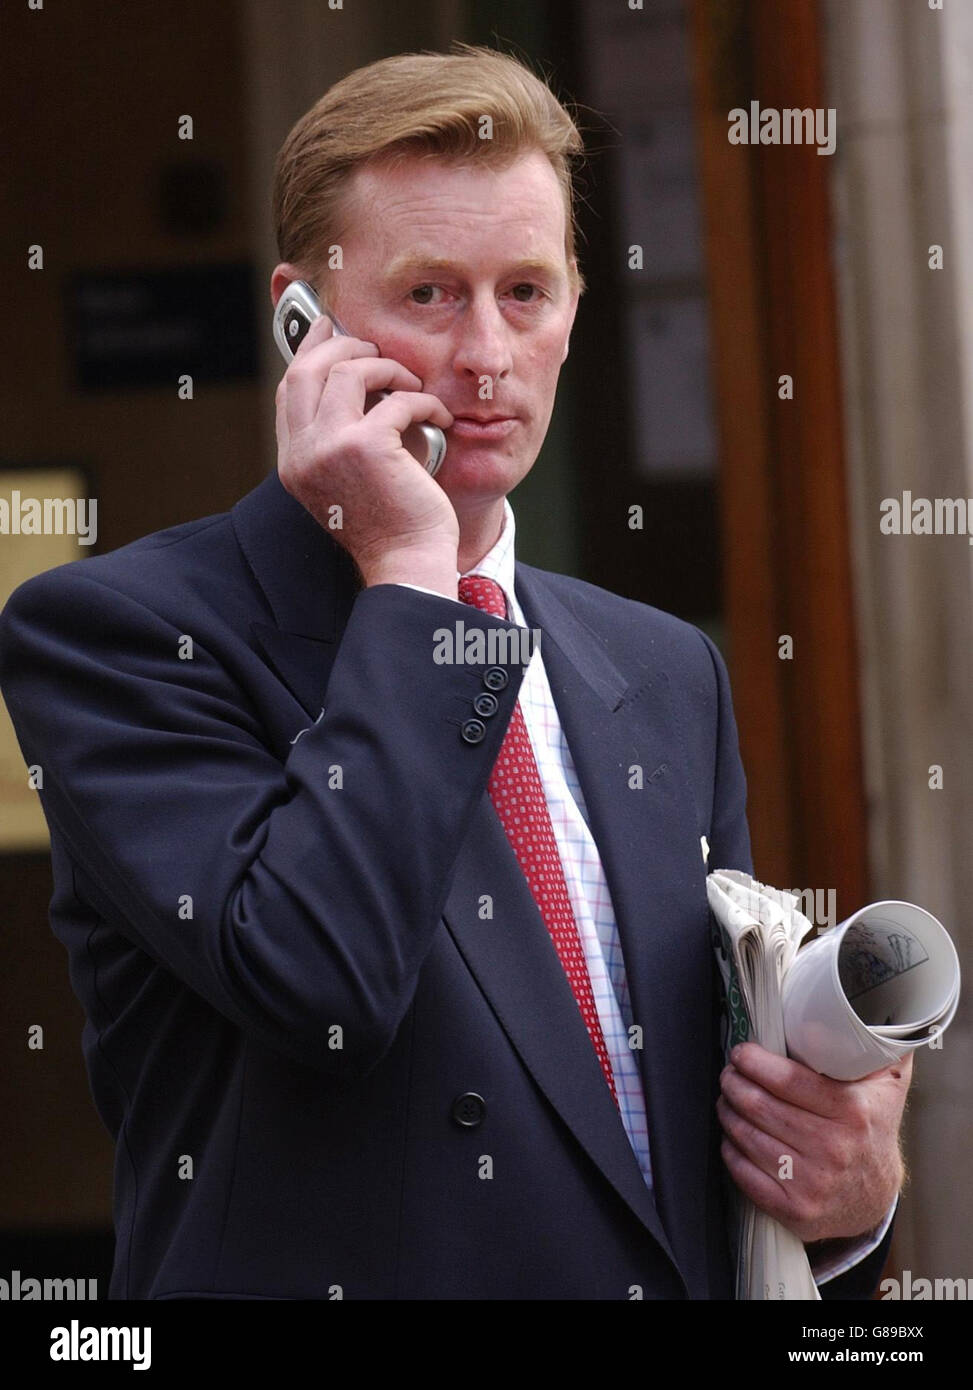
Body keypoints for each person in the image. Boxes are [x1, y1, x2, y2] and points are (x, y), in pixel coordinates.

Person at [0, 44, 910, 1300]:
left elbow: (677, 1136)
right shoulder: (114, 632)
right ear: (299, 320)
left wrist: (841, 1204)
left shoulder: (662, 670)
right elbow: (321, 980)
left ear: (579, 306)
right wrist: (413, 571)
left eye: (525, 291)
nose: (486, 353)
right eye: (429, 292)